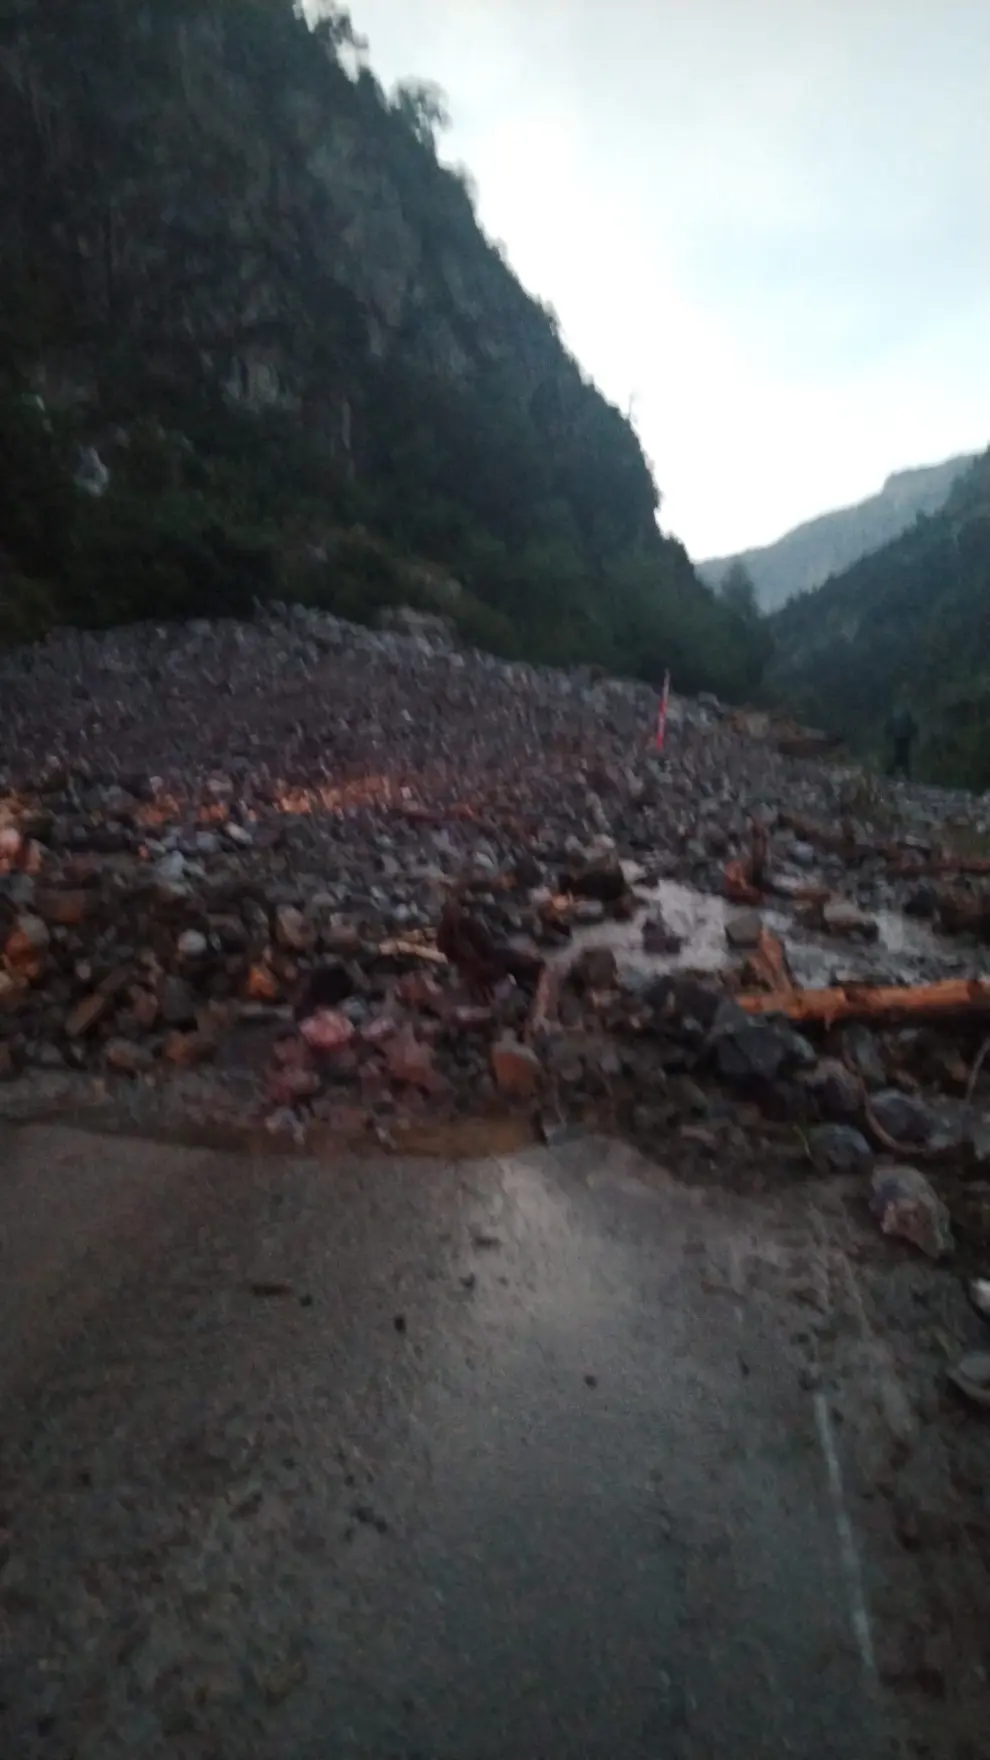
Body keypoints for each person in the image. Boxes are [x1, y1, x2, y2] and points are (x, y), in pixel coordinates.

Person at [887, 704, 918, 779]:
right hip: (905, 738)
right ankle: (905, 773)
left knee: (899, 755)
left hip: (898, 737)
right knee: (904, 756)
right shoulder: (906, 717)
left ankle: (896, 772)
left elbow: (890, 726)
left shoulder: (897, 718)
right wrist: (915, 736)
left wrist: (889, 734)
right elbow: (913, 727)